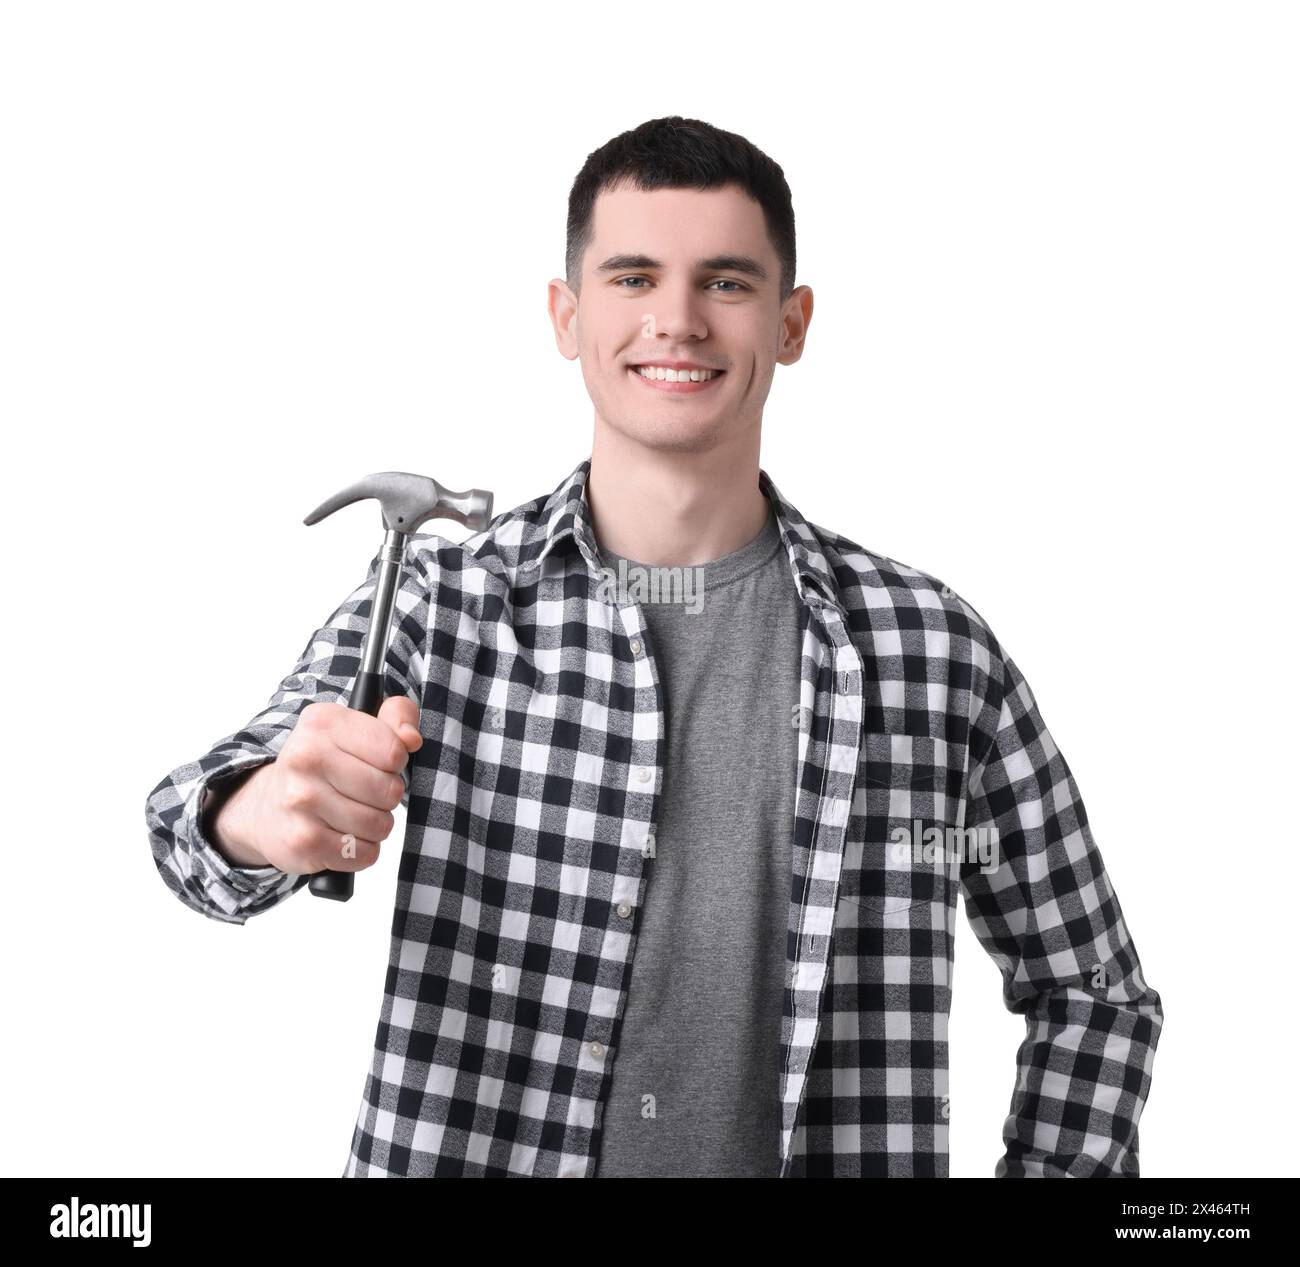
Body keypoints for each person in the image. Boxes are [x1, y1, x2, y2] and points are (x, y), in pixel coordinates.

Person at [145, 115, 1164, 1178]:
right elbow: (188, 830)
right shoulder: (443, 607)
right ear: (567, 315)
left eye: (725, 282)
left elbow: (1091, 990)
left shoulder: (933, 654)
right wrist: (262, 812)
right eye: (633, 278)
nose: (675, 320)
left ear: (792, 321)